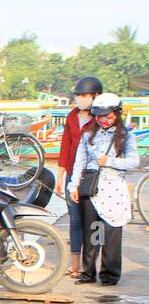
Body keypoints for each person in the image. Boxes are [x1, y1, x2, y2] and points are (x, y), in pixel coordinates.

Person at [69, 93, 139, 285]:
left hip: (114, 189)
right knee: (92, 233)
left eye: (107, 115)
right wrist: (73, 185)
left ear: (117, 113)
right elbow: (79, 161)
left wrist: (111, 161)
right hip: (92, 189)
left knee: (111, 235)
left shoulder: (127, 136)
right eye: (99, 116)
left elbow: (134, 161)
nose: (103, 119)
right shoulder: (88, 134)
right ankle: (88, 273)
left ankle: (109, 275)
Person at [57, 76, 101, 277]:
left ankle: (91, 264)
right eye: (78, 96)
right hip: (72, 175)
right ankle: (75, 264)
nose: (80, 99)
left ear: (95, 96)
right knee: (75, 220)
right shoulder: (72, 117)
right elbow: (65, 146)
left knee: (95, 222)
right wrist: (60, 176)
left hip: (94, 176)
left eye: (84, 96)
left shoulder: (102, 118)